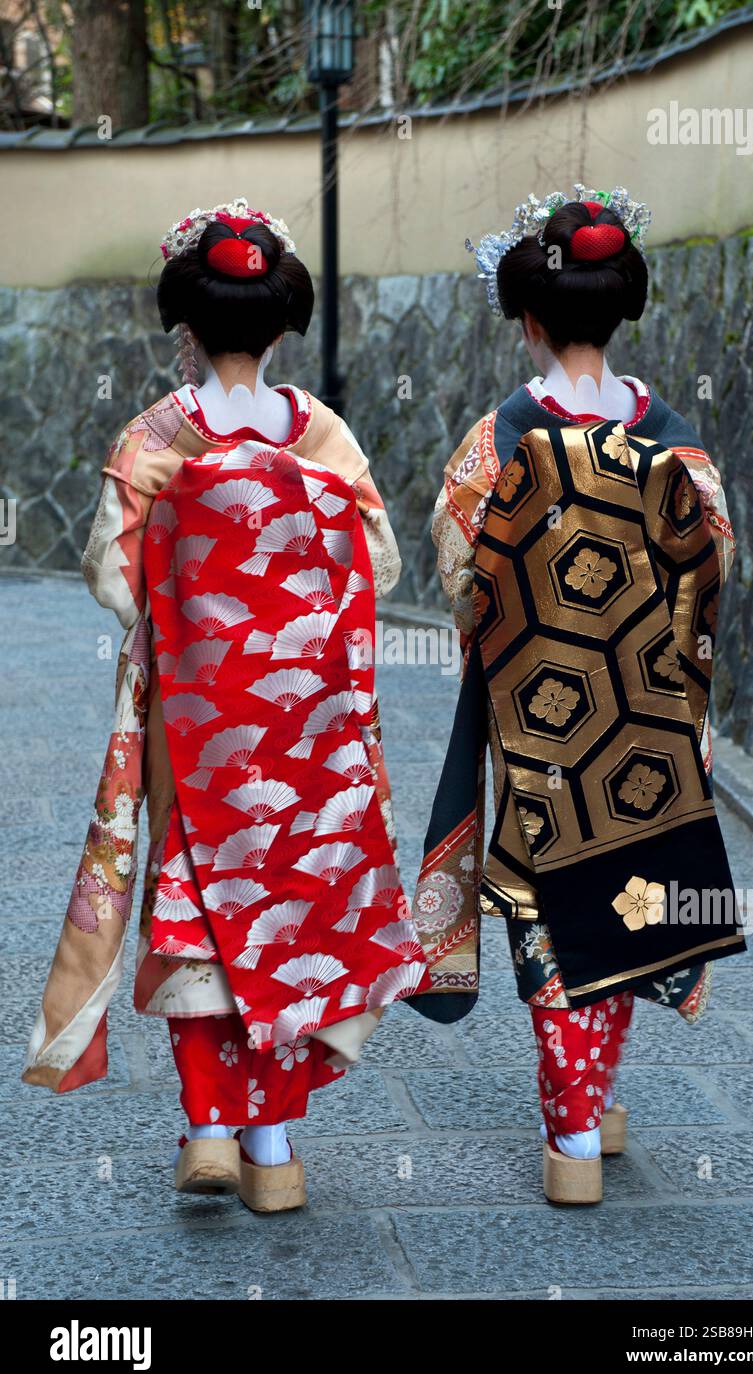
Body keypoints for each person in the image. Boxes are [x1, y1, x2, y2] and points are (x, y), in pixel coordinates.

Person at [23, 197, 429, 1212]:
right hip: (305, 731)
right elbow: (375, 564)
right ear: (283, 327)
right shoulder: (319, 433)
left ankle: (207, 1126)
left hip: (193, 725)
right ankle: (275, 1145)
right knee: (295, 906)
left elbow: (114, 580)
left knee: (198, 897)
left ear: (186, 330)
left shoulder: (157, 431)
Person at [409, 186, 745, 1205]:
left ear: (530, 320)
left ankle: (572, 1138)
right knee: (631, 896)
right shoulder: (675, 439)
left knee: (550, 898)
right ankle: (589, 1102)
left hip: (538, 718)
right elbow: (714, 569)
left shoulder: (500, 437)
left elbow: (460, 575)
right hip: (648, 717)